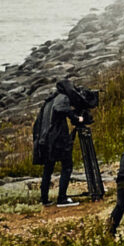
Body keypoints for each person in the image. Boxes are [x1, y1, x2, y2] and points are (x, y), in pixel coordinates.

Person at [33, 78, 89, 206]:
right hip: (57, 140)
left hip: (45, 140)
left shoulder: (49, 100)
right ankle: (62, 198)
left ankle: (44, 199)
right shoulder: (62, 98)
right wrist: (76, 118)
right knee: (67, 166)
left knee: (48, 169)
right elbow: (60, 109)